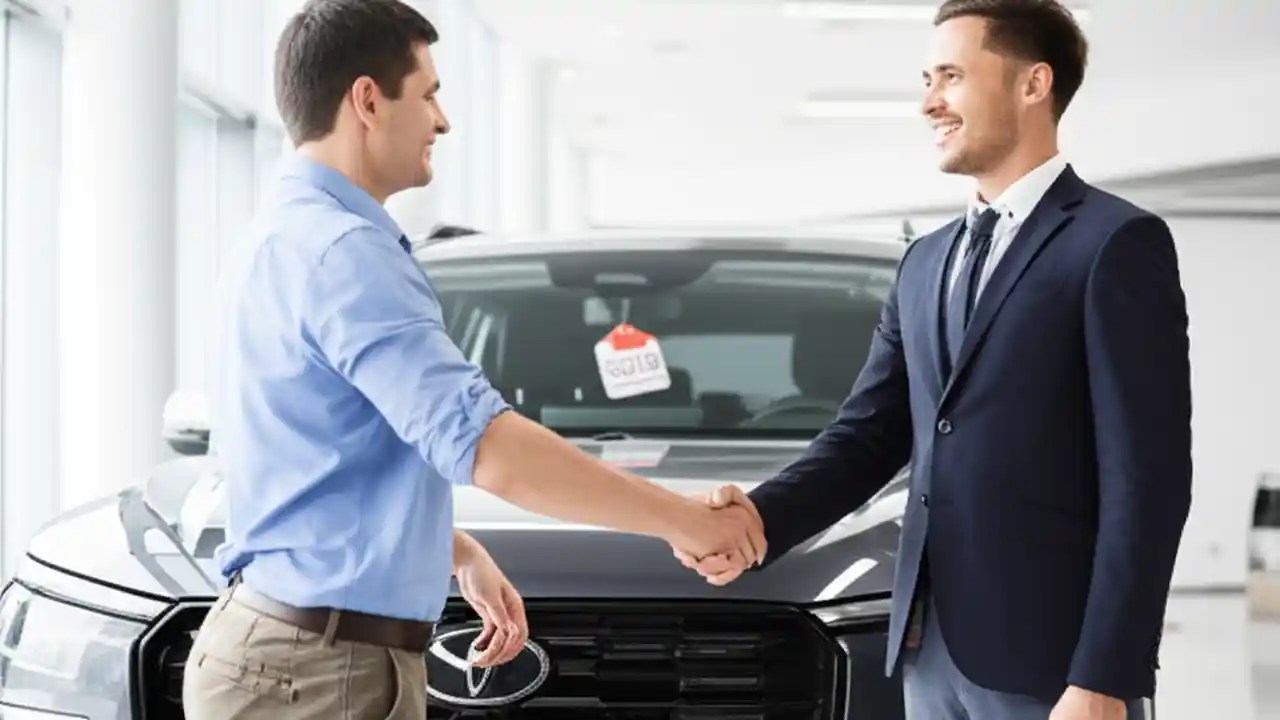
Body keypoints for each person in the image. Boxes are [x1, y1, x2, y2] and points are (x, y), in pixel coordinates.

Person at [182, 1, 763, 718]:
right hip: (317, 672)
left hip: (291, 654)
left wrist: (452, 549)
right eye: (427, 94)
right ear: (368, 100)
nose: (443, 120)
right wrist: (688, 522)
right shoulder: (346, 255)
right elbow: (489, 449)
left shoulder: (278, 236)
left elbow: (313, 459)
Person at [679, 1, 1192, 719]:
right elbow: (868, 436)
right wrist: (758, 520)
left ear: (1032, 84)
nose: (928, 103)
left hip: (1053, 665)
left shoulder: (1116, 244)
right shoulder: (925, 261)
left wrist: (1107, 673)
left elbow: (1149, 482)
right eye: (926, 78)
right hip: (928, 652)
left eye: (949, 76)